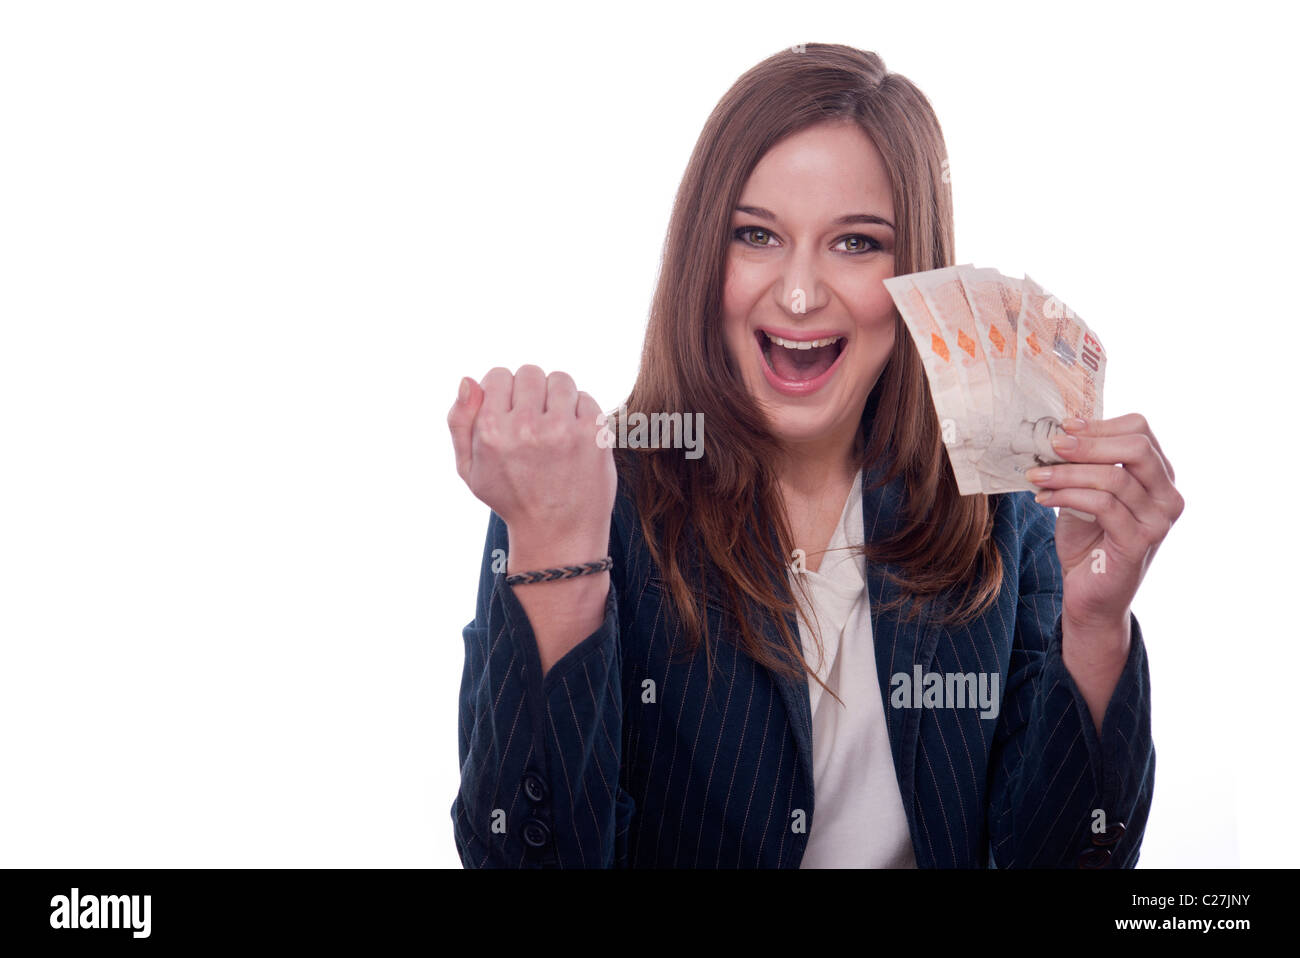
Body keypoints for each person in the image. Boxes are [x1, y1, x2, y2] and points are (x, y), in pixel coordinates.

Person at [445, 43, 1182, 868]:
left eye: (856, 244)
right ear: (702, 255)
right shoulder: (581, 497)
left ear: (919, 275)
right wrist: (556, 558)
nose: (798, 294)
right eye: (756, 235)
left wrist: (1095, 627)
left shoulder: (999, 510)